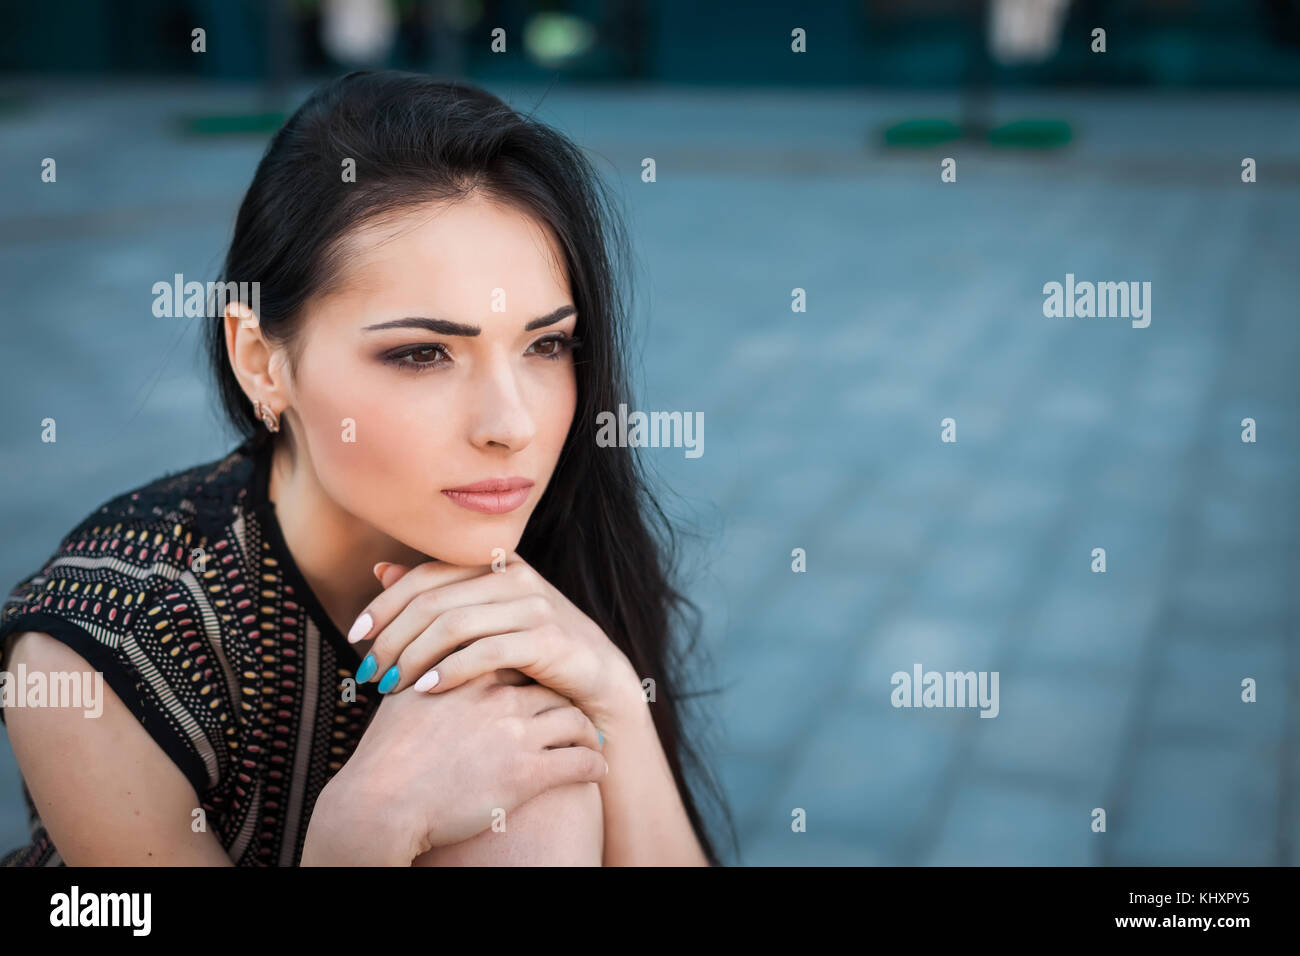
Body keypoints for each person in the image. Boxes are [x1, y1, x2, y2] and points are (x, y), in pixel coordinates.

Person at [0, 70, 731, 866]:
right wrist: (363, 831)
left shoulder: (548, 570)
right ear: (261, 361)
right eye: (422, 354)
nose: (511, 426)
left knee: (533, 774)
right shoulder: (110, 639)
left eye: (546, 344)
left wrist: (613, 693)